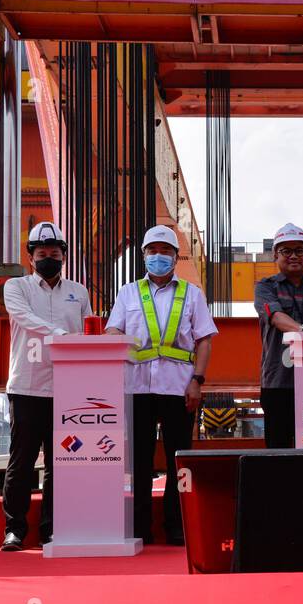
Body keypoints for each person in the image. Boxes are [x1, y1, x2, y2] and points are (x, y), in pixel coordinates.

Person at [107, 224, 217, 546]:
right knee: (139, 461)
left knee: (177, 460)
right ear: (143, 255)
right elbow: (114, 331)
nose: (158, 256)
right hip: (137, 387)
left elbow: (205, 341)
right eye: (152, 251)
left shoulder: (191, 294)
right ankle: (140, 527)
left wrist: (197, 381)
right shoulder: (128, 293)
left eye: (165, 251)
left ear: (175, 256)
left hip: (179, 387)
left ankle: (176, 527)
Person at [1, 221, 93, 551]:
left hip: (67, 388)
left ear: (64, 256)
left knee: (61, 462)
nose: (48, 258)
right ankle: (14, 529)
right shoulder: (17, 287)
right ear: (31, 257)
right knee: (22, 460)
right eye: (42, 253)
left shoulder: (78, 292)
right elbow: (23, 318)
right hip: (27, 385)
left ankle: (51, 528)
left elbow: (88, 331)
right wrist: (60, 335)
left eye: (55, 253)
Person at [253, 223, 303, 449]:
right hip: (278, 381)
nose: (293, 256)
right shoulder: (265, 287)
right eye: (286, 251)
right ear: (275, 256)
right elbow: (276, 317)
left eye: (299, 251)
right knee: (278, 448)